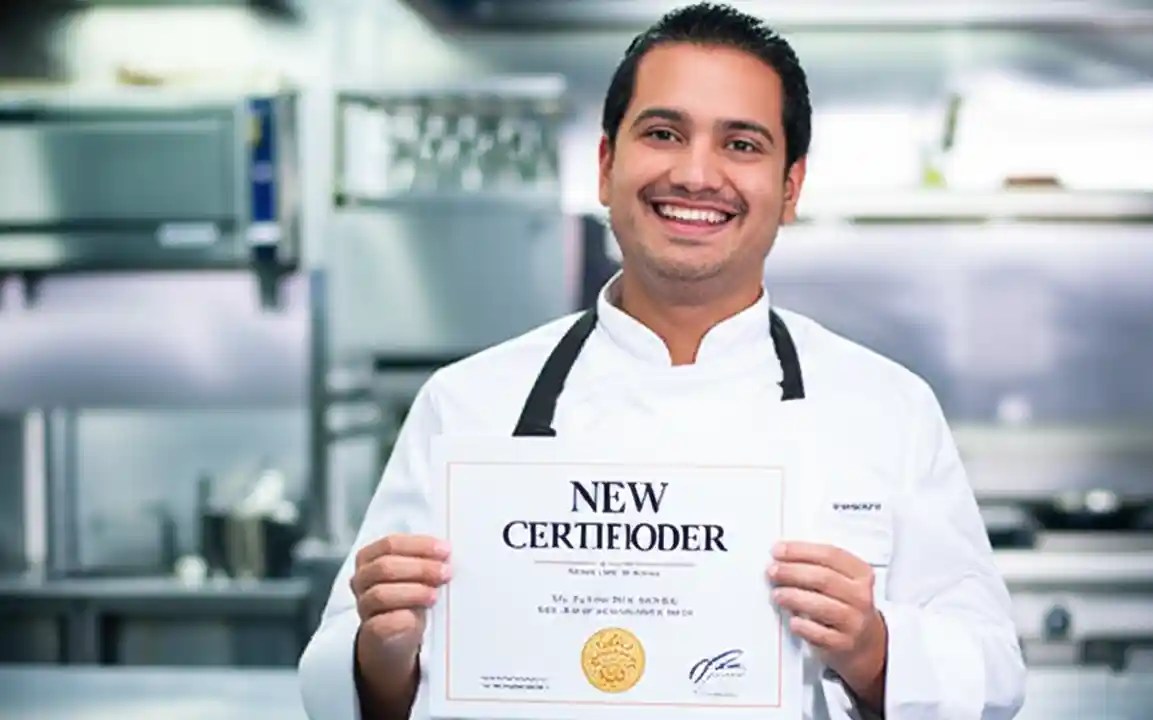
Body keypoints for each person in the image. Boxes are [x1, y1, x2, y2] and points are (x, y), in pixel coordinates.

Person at [297, 3, 1027, 719]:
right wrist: (382, 655)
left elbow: (992, 672)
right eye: (663, 133)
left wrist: (873, 648)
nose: (696, 173)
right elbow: (339, 684)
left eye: (741, 144)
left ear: (790, 188)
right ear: (606, 165)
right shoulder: (466, 405)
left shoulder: (887, 409)